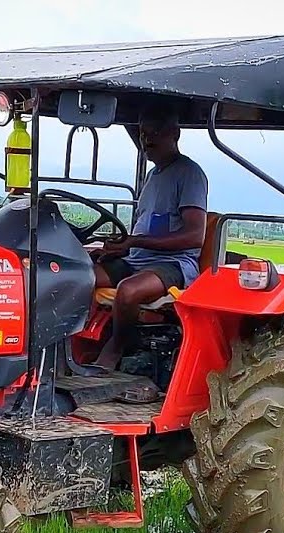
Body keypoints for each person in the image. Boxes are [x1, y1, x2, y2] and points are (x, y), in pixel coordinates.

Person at [93, 104, 208, 371]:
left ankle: (117, 347)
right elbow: (144, 230)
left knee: (129, 290)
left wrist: (135, 242)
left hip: (173, 264)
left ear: (175, 134)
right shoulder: (152, 175)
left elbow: (194, 236)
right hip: (138, 258)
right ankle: (81, 344)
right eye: (143, 133)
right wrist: (121, 248)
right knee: (81, 275)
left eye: (155, 132)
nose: (147, 139)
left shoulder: (189, 174)